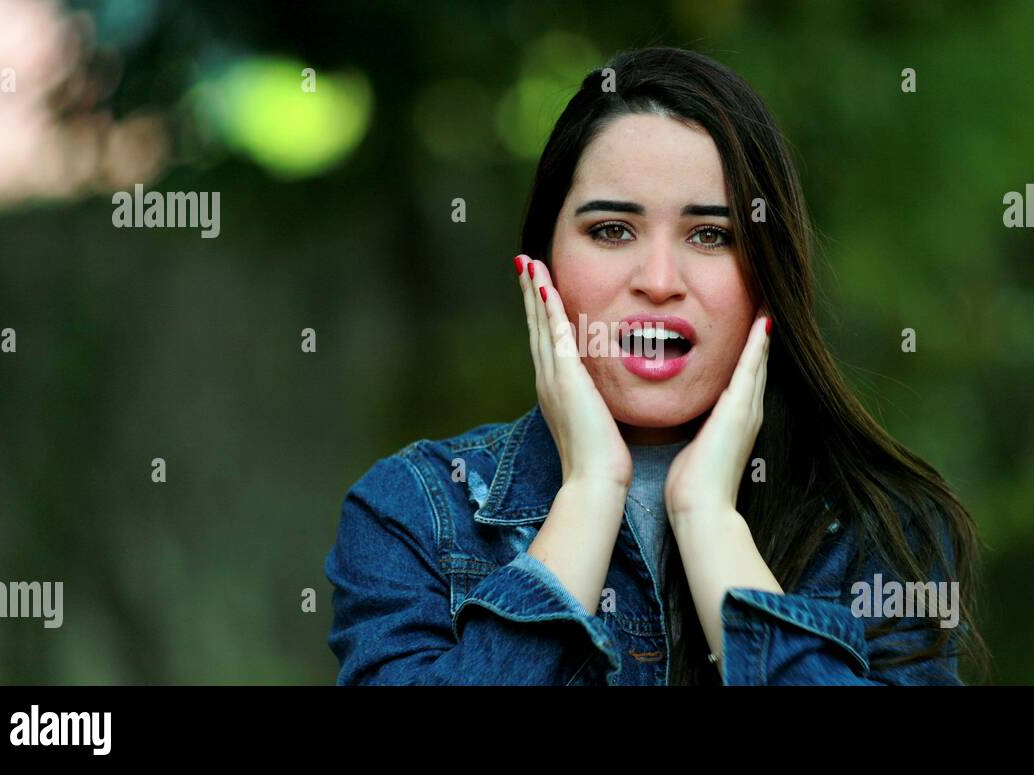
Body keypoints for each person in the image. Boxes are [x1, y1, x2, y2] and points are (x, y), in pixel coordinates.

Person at [325, 46, 986, 685]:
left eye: (711, 234)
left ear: (770, 275)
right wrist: (588, 492)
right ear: (541, 266)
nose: (661, 280)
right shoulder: (413, 510)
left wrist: (708, 522)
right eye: (612, 229)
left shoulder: (881, 530)